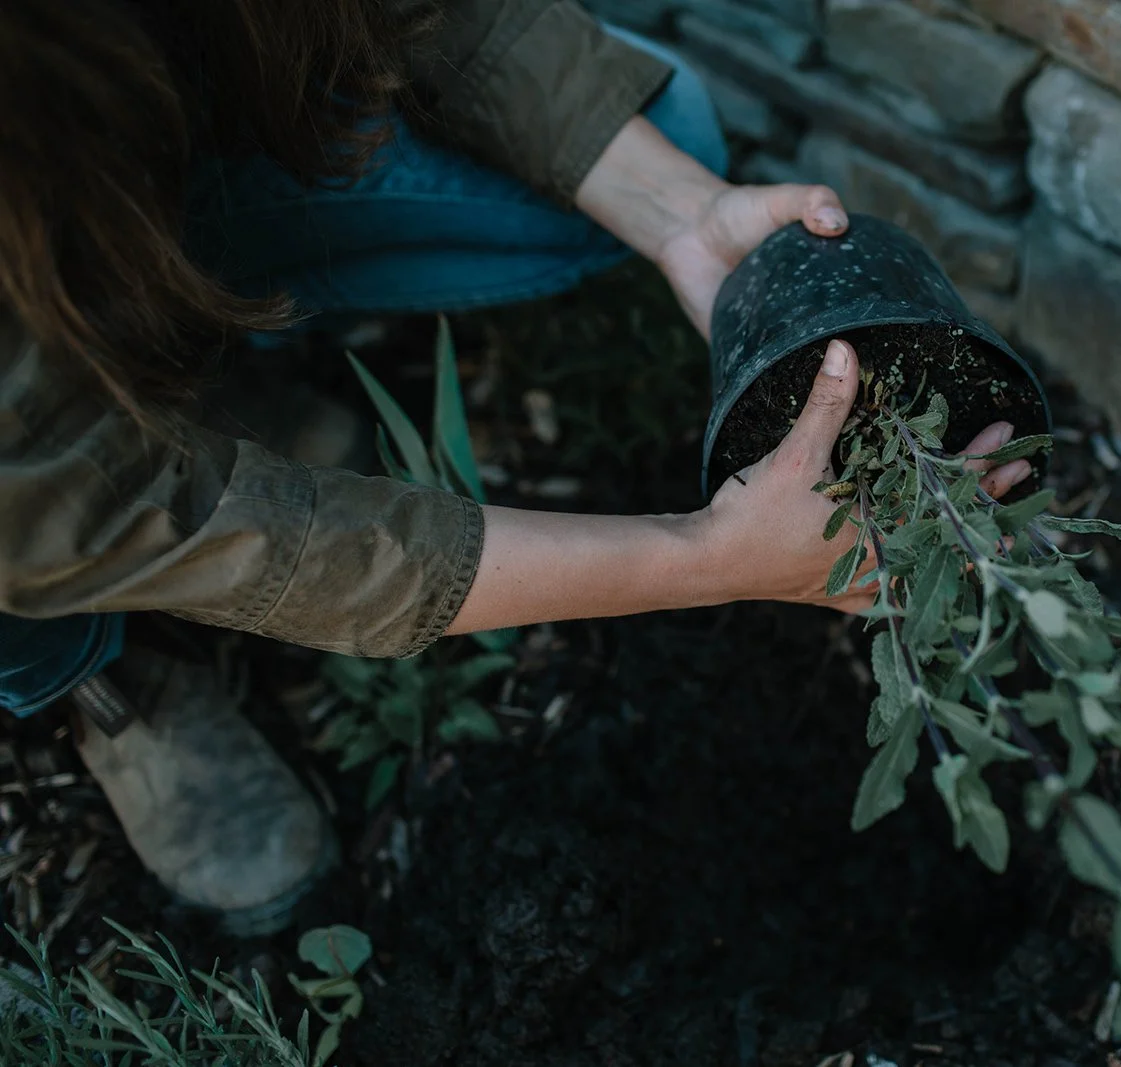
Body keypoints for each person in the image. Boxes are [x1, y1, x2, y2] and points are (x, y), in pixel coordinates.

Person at [0, 0, 1033, 935]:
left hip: (117, 151)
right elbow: (158, 526)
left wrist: (677, 210)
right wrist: (707, 553)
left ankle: (168, 377)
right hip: (23, 459)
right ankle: (96, 670)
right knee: (62, 539)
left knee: (668, 134)